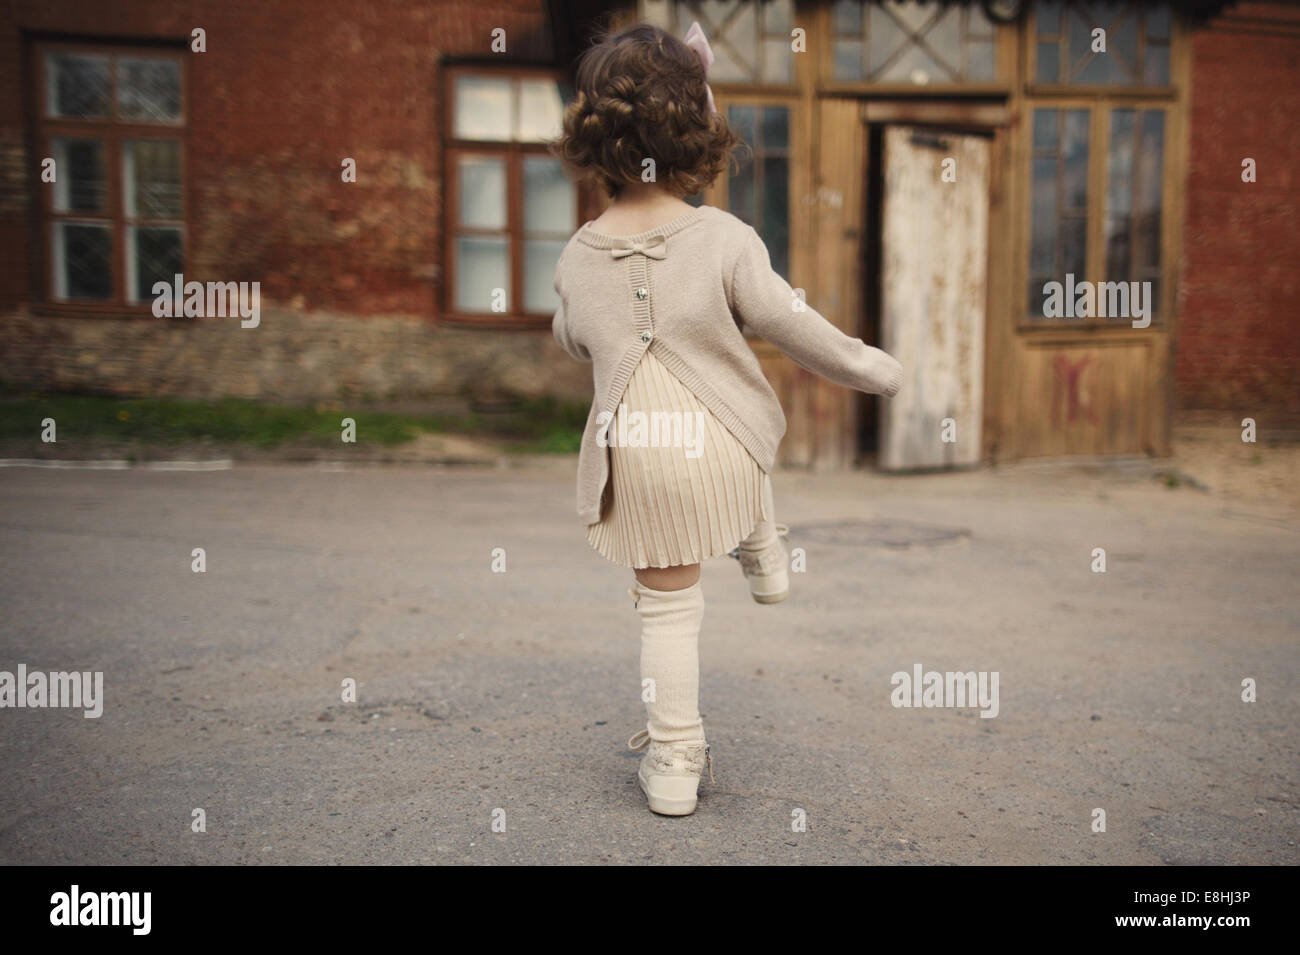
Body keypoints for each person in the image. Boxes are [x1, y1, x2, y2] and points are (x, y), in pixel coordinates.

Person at [549, 21, 903, 816]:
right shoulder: (727, 239)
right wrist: (868, 366)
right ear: (698, 130)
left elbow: (571, 334)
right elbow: (792, 324)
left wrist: (582, 328)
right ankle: (764, 552)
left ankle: (674, 760)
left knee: (669, 609)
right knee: (743, 421)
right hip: (727, 447)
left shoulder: (577, 254)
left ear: (595, 139)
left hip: (637, 458)